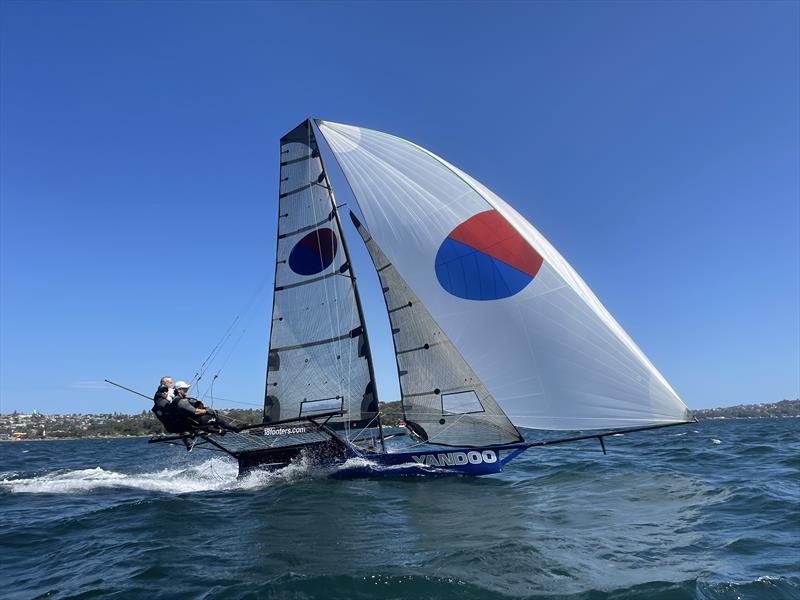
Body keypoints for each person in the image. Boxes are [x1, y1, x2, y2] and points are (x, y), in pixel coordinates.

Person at [172, 381, 239, 433]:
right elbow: (195, 412)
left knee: (211, 420)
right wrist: (207, 411)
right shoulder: (181, 402)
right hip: (196, 422)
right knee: (216, 418)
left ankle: (221, 430)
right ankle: (234, 429)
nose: (187, 390)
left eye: (187, 389)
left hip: (192, 423)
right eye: (185, 389)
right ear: (179, 390)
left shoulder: (176, 400)